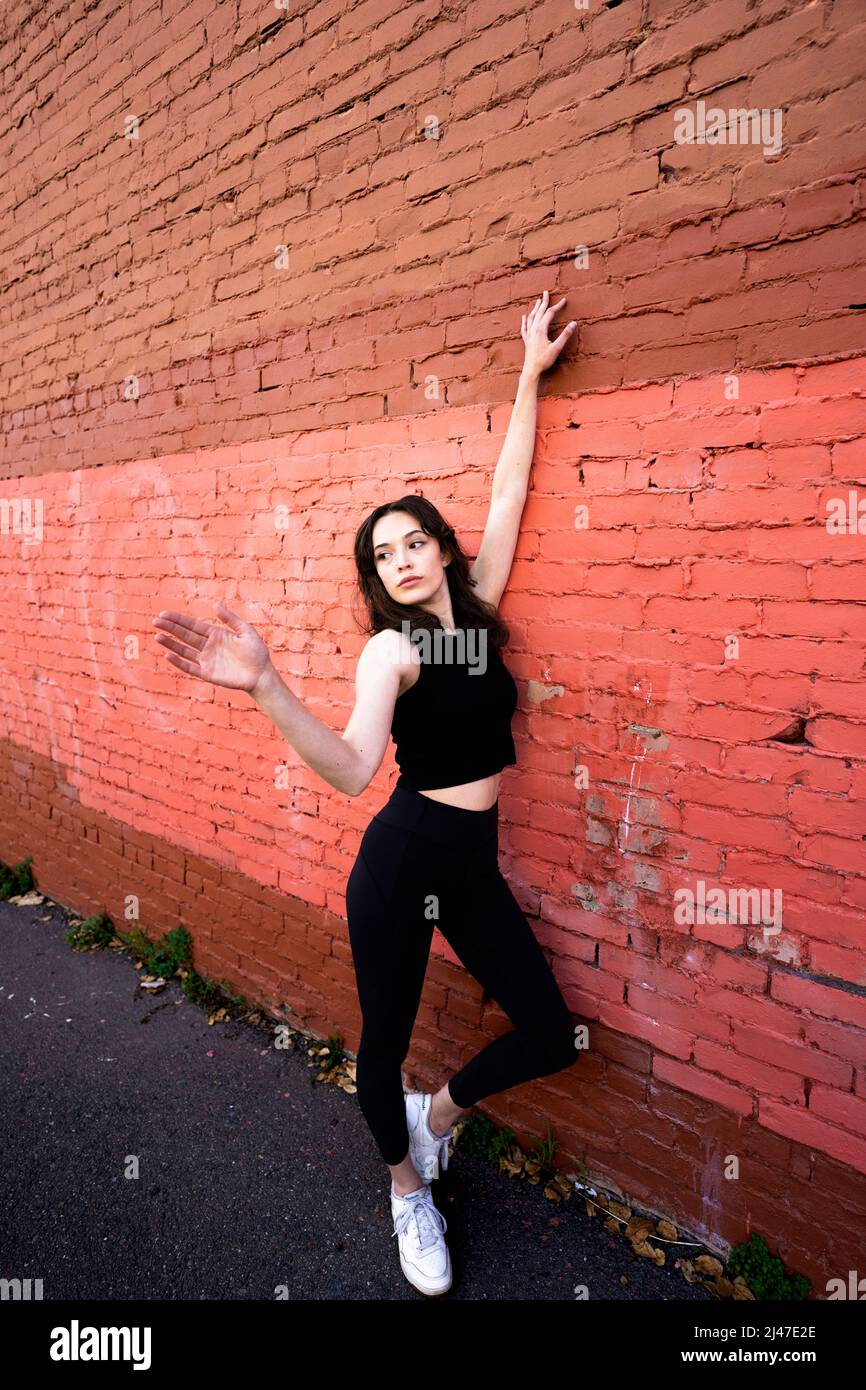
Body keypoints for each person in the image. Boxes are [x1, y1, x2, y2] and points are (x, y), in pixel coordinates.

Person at [152, 291, 580, 1298]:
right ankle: (404, 1192)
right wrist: (264, 686)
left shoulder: (472, 614)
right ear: (380, 580)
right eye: (382, 555)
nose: (400, 560)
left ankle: (437, 1123)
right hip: (400, 862)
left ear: (437, 549)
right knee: (379, 1043)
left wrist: (525, 376)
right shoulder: (390, 651)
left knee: (551, 1032)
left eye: (411, 542)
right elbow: (350, 769)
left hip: (470, 867)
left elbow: (510, 492)